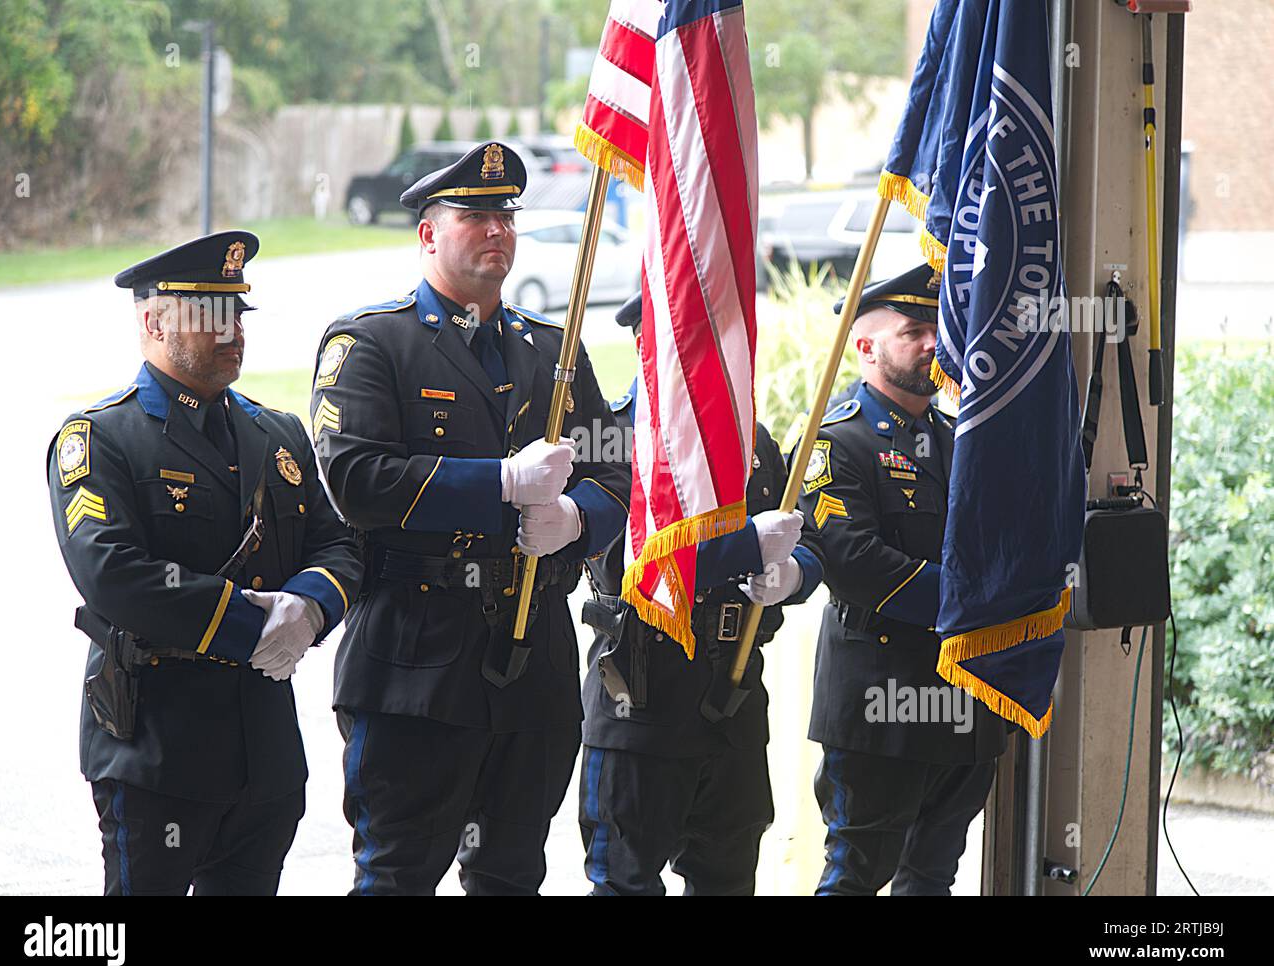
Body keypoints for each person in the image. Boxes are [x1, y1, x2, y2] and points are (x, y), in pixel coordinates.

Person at [311, 141, 630, 895]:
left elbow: (613, 467)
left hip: (532, 661)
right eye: (475, 215)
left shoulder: (551, 349)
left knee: (512, 873)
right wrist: (500, 484)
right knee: (398, 873)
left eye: (506, 215)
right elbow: (355, 478)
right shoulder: (371, 343)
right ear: (428, 233)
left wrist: (577, 520)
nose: (498, 230)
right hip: (417, 658)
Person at [47, 231, 362, 895]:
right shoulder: (102, 438)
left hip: (264, 755)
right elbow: (113, 573)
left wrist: (306, 608)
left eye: (237, 314)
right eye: (209, 315)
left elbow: (339, 544)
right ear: (152, 321)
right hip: (158, 751)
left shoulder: (277, 434)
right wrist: (253, 629)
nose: (232, 332)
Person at [577, 292, 823, 896]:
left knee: (728, 879)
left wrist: (794, 574)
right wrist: (743, 548)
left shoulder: (753, 441)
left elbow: (809, 535)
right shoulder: (614, 439)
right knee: (625, 882)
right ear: (646, 343)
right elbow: (628, 561)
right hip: (644, 695)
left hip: (732, 695)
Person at [794, 263, 1007, 896]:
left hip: (964, 692)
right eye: (913, 330)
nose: (934, 343)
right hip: (879, 698)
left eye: (937, 328)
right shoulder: (838, 441)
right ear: (865, 347)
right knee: (855, 876)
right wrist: (976, 599)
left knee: (933, 878)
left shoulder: (961, 437)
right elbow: (853, 559)